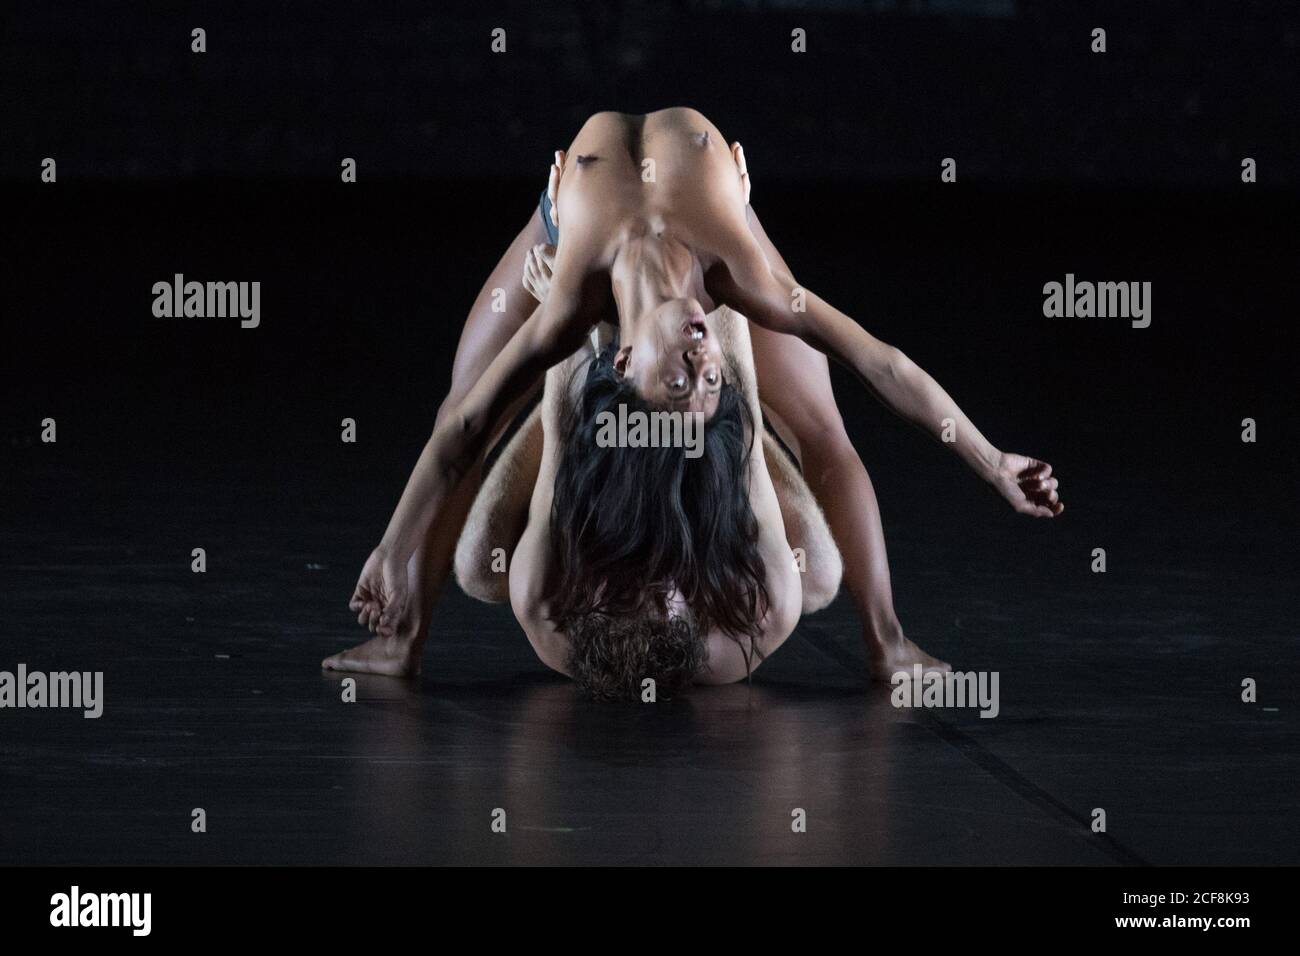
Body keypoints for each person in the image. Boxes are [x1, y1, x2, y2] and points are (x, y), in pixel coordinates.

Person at [323, 107, 1062, 682]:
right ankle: (404, 643)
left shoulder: (566, 307)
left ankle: (888, 643)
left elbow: (460, 434)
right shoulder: (741, 285)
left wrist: (391, 547)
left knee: (471, 397)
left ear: (618, 357)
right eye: (711, 379)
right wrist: (990, 459)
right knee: (822, 423)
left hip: (562, 221)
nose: (706, 356)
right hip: (725, 223)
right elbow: (883, 362)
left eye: (680, 378)